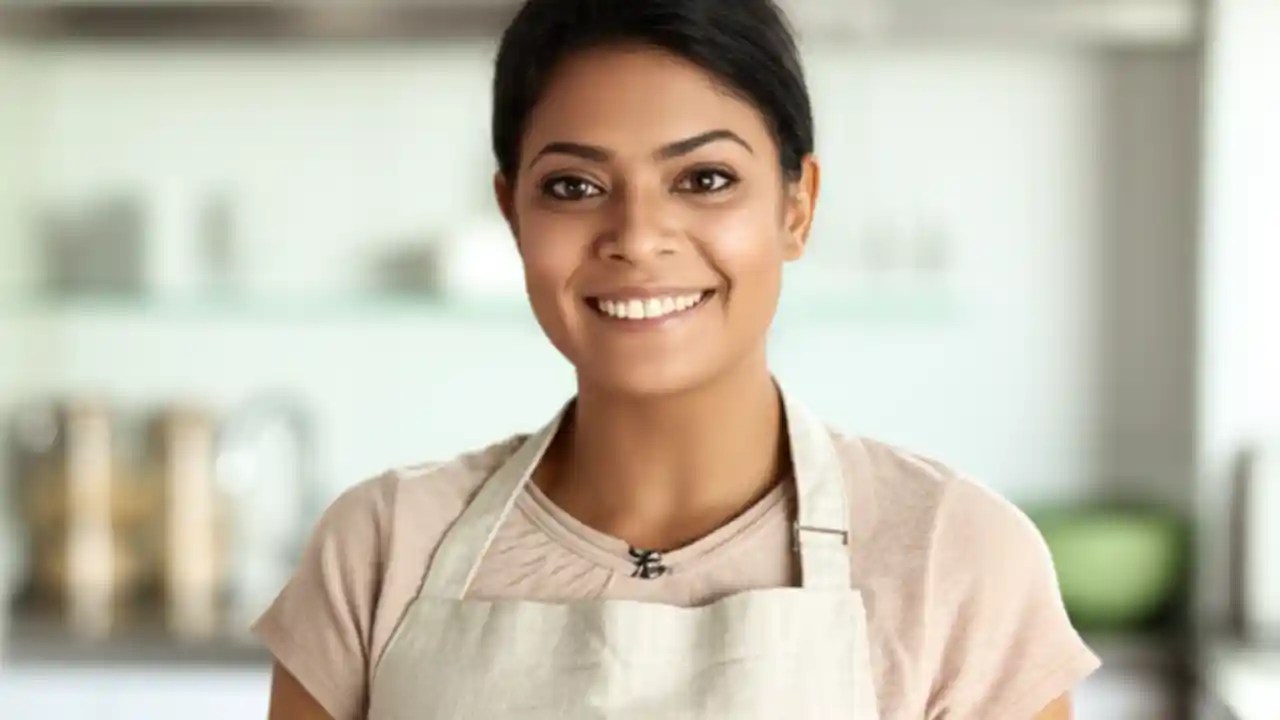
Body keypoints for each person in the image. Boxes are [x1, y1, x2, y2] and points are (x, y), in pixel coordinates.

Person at [258, 1, 1100, 717]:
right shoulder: (379, 550)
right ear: (512, 214)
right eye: (574, 187)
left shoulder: (955, 560)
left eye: (703, 179)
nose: (637, 238)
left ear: (797, 206)